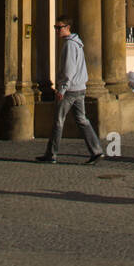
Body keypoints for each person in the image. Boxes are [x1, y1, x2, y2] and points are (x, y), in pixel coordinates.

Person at [37, 16, 104, 164]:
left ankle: (51, 154)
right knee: (82, 120)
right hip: (80, 88)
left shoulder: (69, 45)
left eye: (59, 28)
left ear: (67, 27)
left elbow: (69, 70)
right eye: (55, 28)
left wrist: (62, 89)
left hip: (70, 90)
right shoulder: (77, 43)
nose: (56, 31)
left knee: (58, 121)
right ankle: (96, 150)